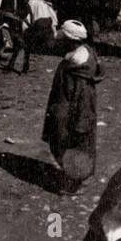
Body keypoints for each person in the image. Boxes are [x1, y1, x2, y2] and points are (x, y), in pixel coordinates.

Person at [42, 21, 102, 193]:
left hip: (72, 109)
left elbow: (79, 95)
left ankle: (72, 183)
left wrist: (77, 117)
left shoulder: (76, 62)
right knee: (78, 144)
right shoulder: (86, 53)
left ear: (70, 40)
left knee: (69, 142)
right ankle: (76, 179)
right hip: (74, 106)